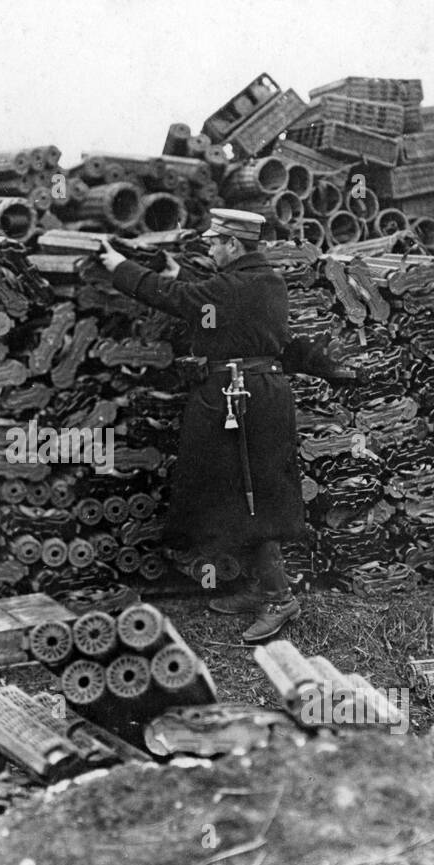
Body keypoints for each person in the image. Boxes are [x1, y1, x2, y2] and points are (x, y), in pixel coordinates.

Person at [99, 208, 357, 643]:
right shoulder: (257, 281)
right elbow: (207, 302)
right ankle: (260, 588)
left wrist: (119, 268)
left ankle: (279, 599)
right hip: (242, 395)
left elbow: (183, 300)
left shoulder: (244, 284)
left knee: (255, 497)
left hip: (246, 398)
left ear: (234, 245)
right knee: (239, 494)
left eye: (215, 243)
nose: (211, 249)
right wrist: (176, 269)